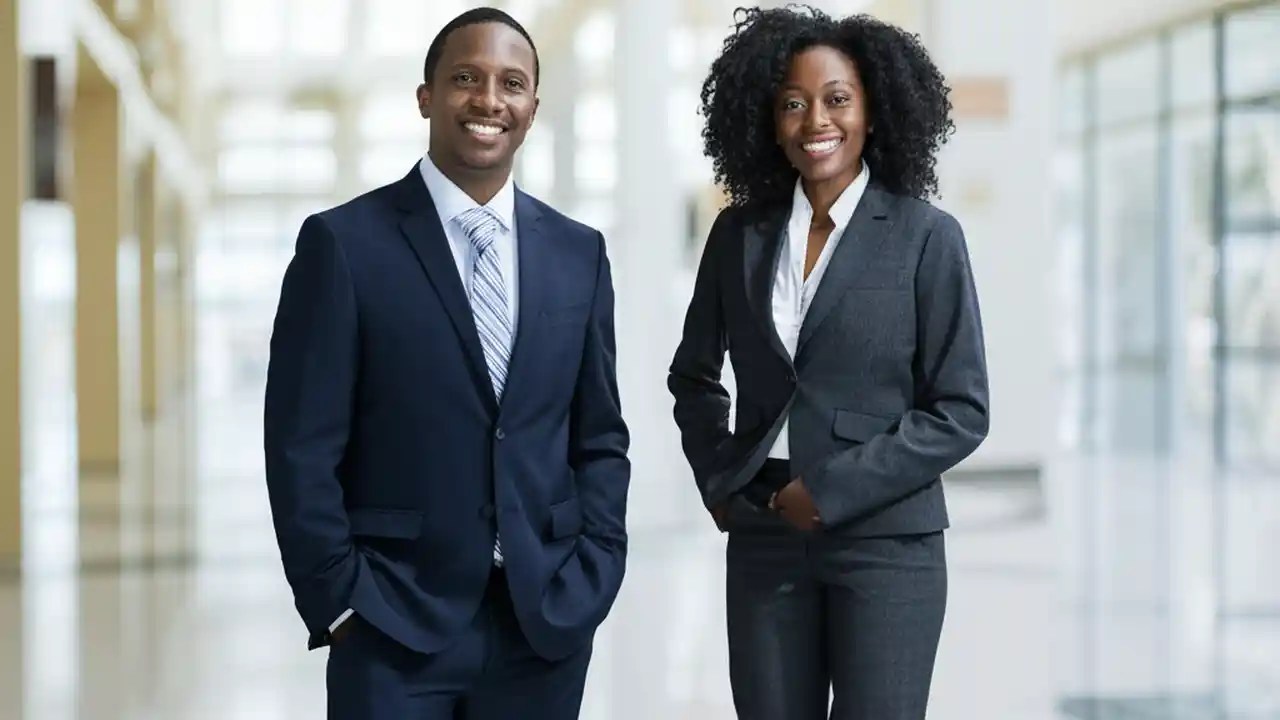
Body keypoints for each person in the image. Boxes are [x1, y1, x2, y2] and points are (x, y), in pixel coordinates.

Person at [263, 7, 630, 719]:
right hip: (392, 624)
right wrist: (338, 600)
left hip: (543, 624)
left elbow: (599, 435)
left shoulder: (578, 253)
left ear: (532, 108)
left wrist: (595, 571)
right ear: (427, 95)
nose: (489, 100)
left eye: (511, 83)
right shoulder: (343, 246)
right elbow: (300, 445)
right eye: (466, 78)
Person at [668, 6, 989, 719]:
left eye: (837, 98)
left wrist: (833, 490)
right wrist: (721, 477)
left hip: (887, 545)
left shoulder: (926, 237)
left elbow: (961, 411)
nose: (817, 119)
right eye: (793, 102)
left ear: (872, 111)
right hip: (764, 534)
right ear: (768, 120)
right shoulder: (737, 234)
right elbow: (693, 375)